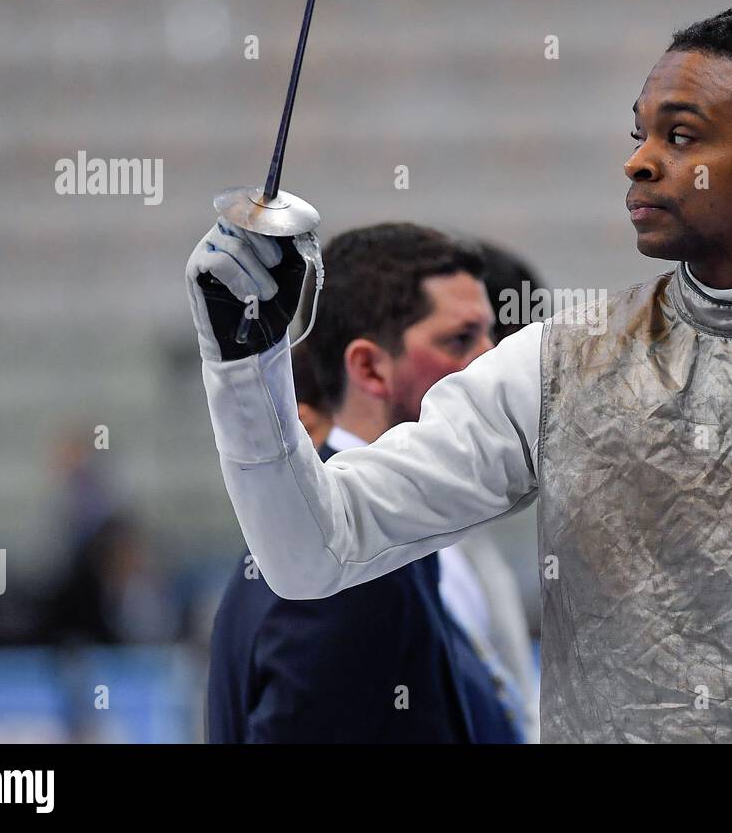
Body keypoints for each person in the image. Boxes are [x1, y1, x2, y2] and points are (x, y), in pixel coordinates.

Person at [187, 0, 732, 743]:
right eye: (641, 132)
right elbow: (313, 550)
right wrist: (246, 364)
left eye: (682, 135)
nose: (639, 159)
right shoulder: (560, 363)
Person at [206, 224, 524, 743]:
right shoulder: (347, 563)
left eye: (492, 336)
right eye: (460, 339)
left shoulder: (390, 535)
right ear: (370, 368)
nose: (491, 364)